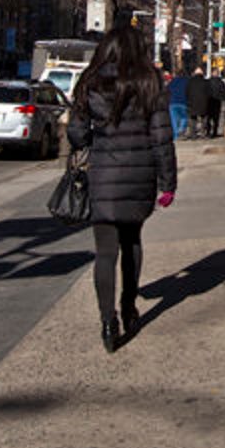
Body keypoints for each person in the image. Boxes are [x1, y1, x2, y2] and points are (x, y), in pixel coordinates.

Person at [68, 24, 178, 352]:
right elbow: (161, 136)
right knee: (132, 242)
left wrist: (97, 136)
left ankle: (107, 321)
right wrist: (168, 182)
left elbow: (76, 134)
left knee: (105, 251)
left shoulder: (90, 81)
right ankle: (129, 306)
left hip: (103, 173)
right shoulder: (149, 81)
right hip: (140, 173)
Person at [185, 67, 213, 139]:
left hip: (192, 103)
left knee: (193, 119)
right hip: (204, 103)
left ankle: (193, 134)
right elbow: (209, 93)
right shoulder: (206, 82)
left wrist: (189, 101)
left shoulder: (190, 82)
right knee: (204, 119)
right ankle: (203, 133)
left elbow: (187, 92)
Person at [166, 68, 190, 141]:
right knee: (185, 117)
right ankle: (181, 129)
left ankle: (175, 136)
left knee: (174, 120)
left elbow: (167, 90)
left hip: (172, 103)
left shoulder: (172, 81)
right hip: (183, 102)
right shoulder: (187, 81)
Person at [207, 70, 225, 138]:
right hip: (218, 102)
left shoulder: (208, 82)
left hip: (209, 101)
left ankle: (208, 131)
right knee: (216, 118)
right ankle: (215, 132)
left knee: (209, 117)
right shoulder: (221, 82)